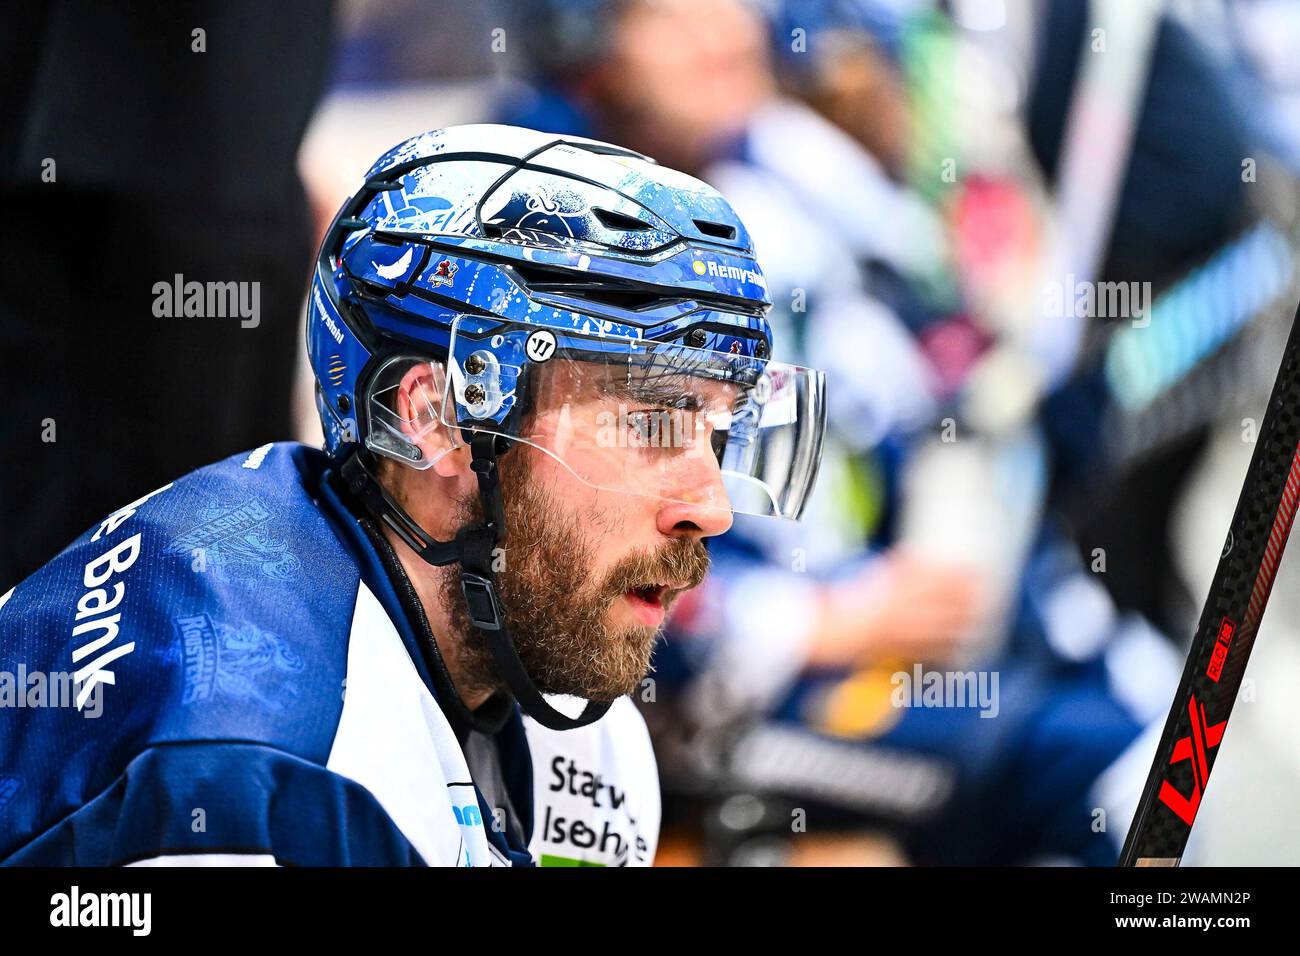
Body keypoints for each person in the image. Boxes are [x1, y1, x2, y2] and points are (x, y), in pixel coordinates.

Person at [0, 125, 828, 867]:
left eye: (717, 431)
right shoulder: (250, 766)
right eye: (650, 423)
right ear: (435, 417)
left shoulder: (573, 705)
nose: (712, 507)